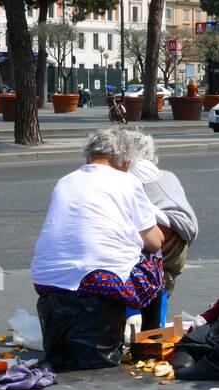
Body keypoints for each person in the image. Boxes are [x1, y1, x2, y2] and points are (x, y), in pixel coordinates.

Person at [31, 127, 166, 368]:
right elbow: (154, 240)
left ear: (89, 156)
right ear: (125, 161)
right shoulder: (127, 181)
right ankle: (147, 349)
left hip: (46, 280)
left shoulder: (65, 181)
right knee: (155, 260)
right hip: (100, 280)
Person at [125, 132, 199, 330]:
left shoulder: (124, 179)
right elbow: (189, 224)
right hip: (176, 250)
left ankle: (136, 330)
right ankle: (149, 332)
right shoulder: (168, 177)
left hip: (158, 251)